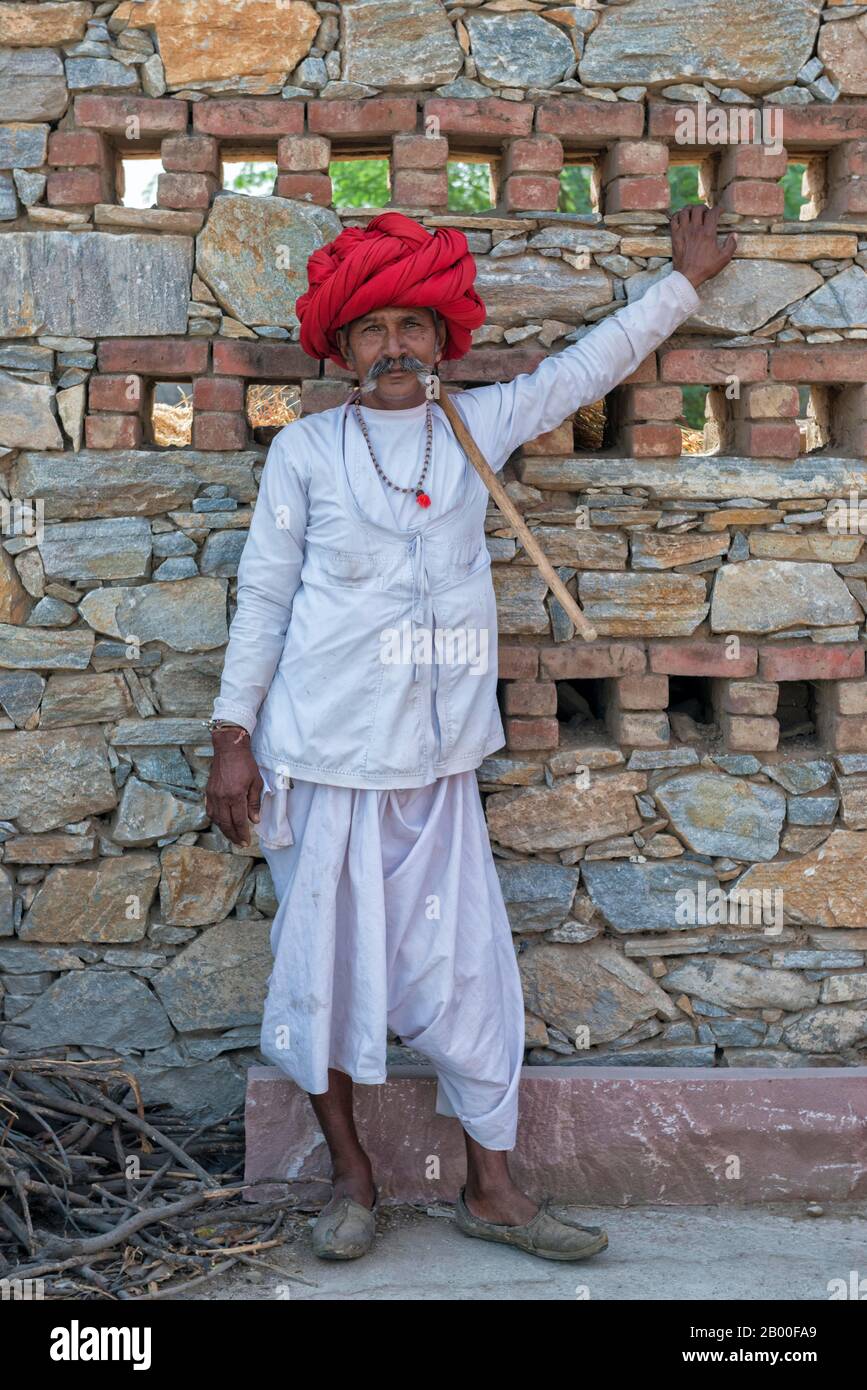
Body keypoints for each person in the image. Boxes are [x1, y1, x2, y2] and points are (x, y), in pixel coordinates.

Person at [205, 203, 736, 1261]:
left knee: (470, 977)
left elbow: (586, 371)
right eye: (372, 330)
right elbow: (264, 597)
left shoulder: (476, 424)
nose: (395, 346)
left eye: (414, 327)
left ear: (443, 342)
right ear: (343, 348)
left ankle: (492, 1189)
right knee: (326, 977)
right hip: (320, 760)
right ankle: (353, 1183)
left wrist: (685, 284)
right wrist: (232, 735)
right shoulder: (308, 451)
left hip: (438, 768)